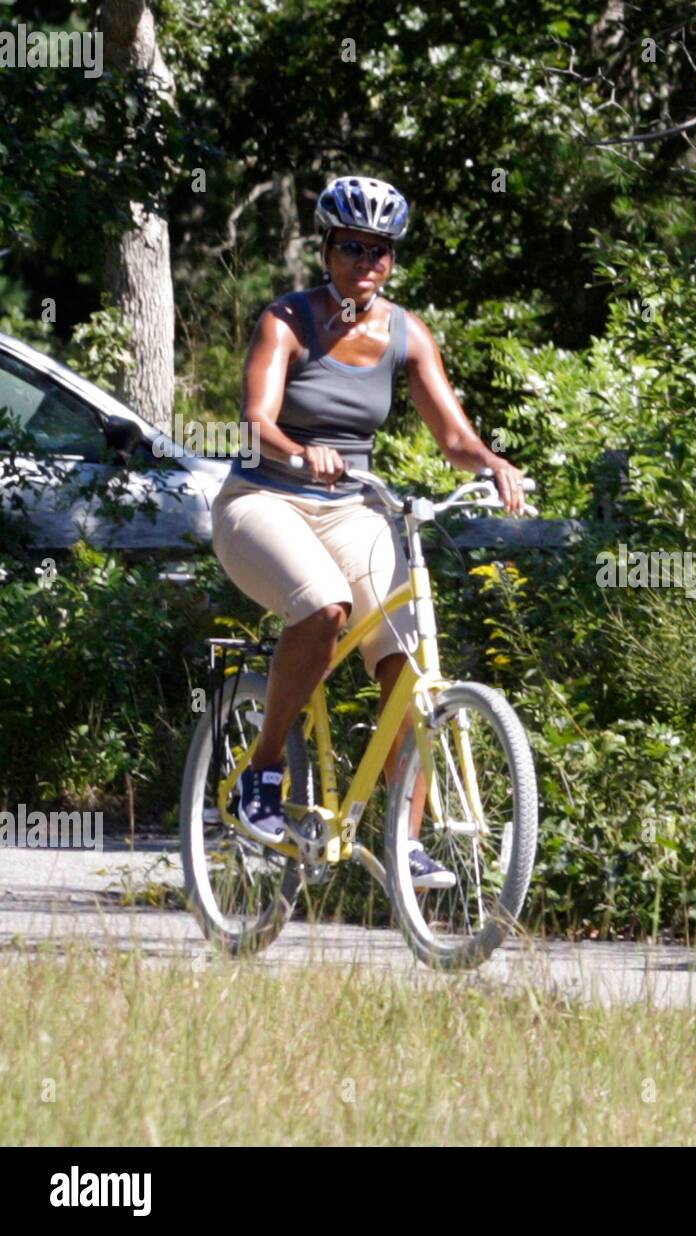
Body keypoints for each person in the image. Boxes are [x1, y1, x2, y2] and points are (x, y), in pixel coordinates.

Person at [211, 175, 527, 889]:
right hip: (264, 497)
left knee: (406, 657)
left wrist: (490, 462)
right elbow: (256, 423)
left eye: (380, 250)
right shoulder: (286, 321)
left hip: (353, 506)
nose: (367, 262)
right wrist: (299, 452)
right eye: (352, 246)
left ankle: (406, 840)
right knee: (325, 605)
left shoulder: (407, 334)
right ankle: (262, 776)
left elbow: (452, 434)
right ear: (325, 249)